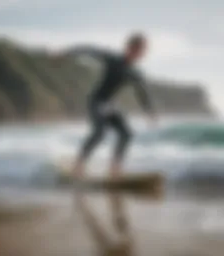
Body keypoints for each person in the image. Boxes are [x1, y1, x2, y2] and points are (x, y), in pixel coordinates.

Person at [65, 33, 156, 179]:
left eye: (144, 50)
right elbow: (90, 50)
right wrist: (68, 52)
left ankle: (115, 168)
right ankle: (79, 164)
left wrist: (149, 112)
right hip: (96, 101)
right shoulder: (114, 59)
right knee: (100, 133)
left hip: (110, 104)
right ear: (130, 47)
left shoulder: (135, 72)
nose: (142, 53)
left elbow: (142, 93)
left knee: (127, 134)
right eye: (140, 49)